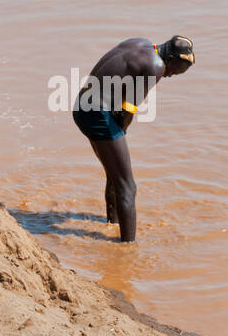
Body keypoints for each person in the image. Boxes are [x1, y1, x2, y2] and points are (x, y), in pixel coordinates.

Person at [73, 35, 195, 243]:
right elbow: (127, 111)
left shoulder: (139, 43)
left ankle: (113, 223)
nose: (170, 75)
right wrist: (121, 132)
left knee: (115, 174)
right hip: (97, 115)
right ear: (171, 58)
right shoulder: (156, 66)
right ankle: (127, 249)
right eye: (174, 71)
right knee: (128, 186)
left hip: (83, 106)